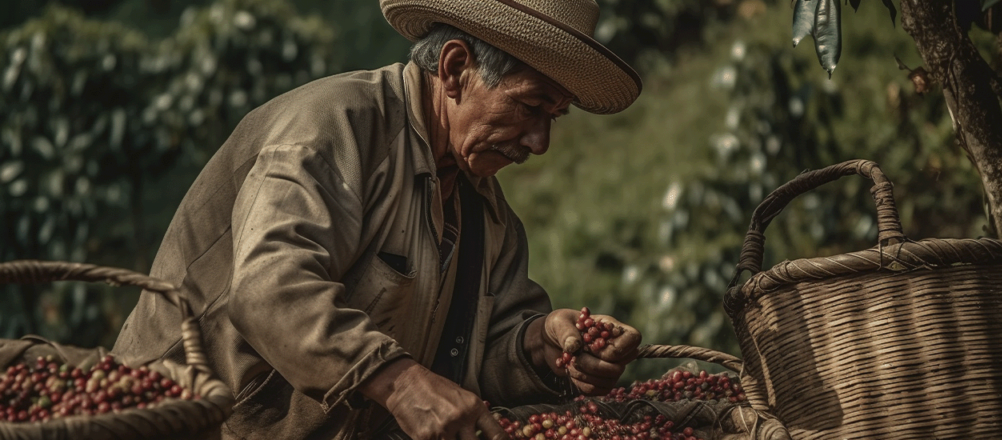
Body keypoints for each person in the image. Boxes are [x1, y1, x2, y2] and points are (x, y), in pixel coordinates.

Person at [112, 0, 644, 438]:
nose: (541, 143)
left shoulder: (484, 209)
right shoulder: (331, 130)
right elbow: (270, 288)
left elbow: (480, 350)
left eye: (553, 118)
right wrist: (401, 383)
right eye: (531, 108)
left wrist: (545, 346)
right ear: (456, 69)